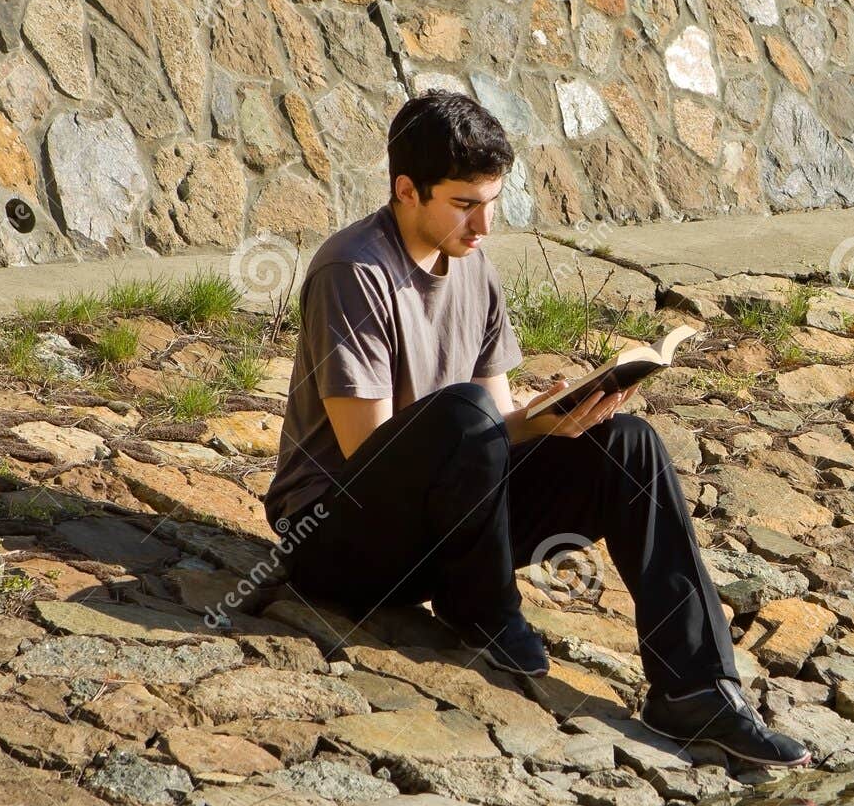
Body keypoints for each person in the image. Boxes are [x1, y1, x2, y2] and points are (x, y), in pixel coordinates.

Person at [261, 91, 810, 769]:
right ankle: (485, 608)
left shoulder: (474, 268)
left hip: (449, 528)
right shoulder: (354, 269)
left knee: (626, 444)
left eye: (491, 201)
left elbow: (496, 424)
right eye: (465, 204)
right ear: (407, 190)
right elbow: (367, 451)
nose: (483, 224)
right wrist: (496, 423)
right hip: (340, 543)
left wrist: (556, 417)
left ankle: (697, 687)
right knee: (467, 413)